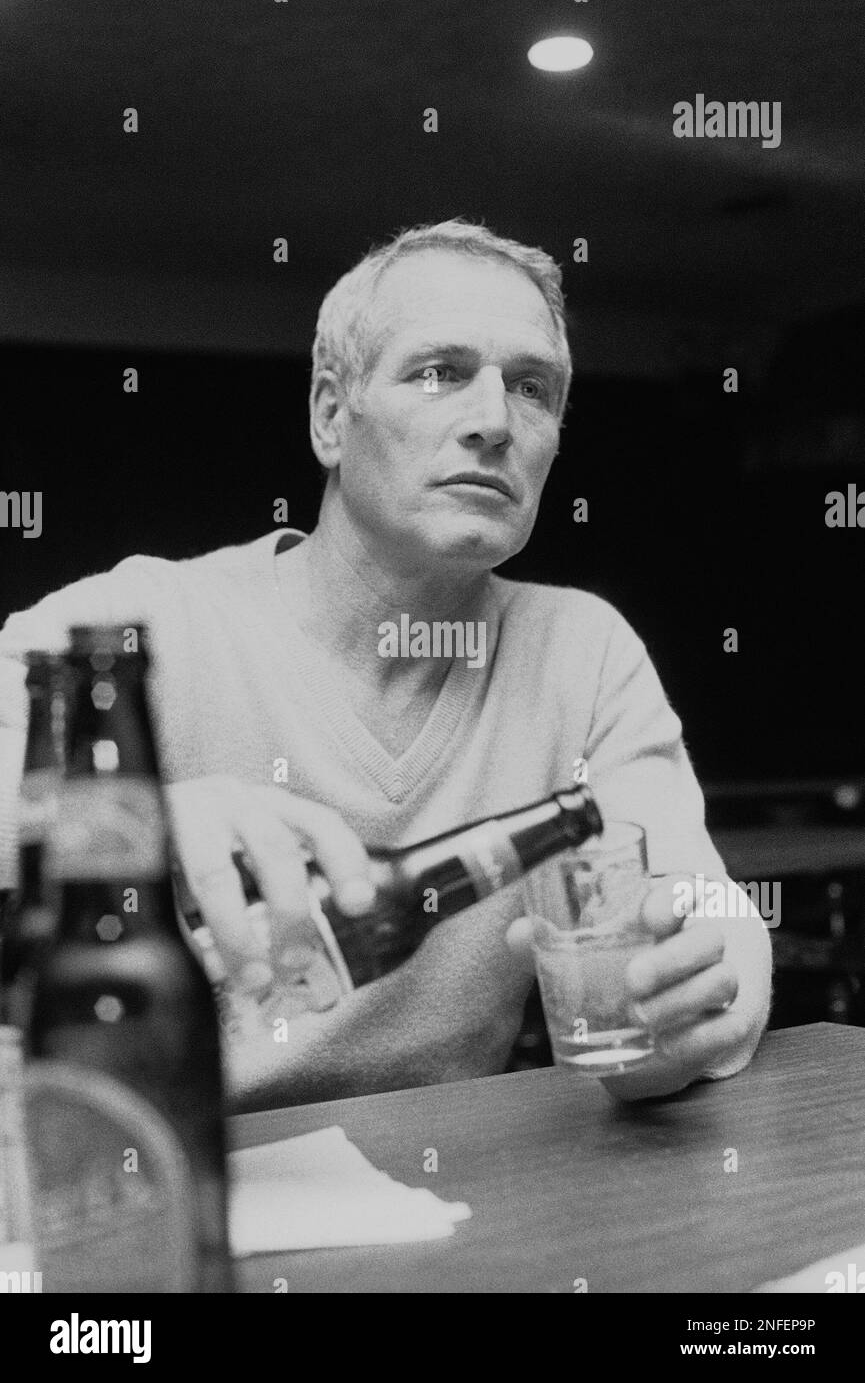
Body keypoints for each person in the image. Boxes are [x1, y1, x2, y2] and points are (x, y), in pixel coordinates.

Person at [0, 220, 771, 1110]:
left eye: (532, 389)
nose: (492, 422)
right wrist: (124, 819)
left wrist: (700, 995)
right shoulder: (140, 623)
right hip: (139, 1172)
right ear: (332, 415)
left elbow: (702, 901)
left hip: (431, 1199)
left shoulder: (580, 649)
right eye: (439, 372)